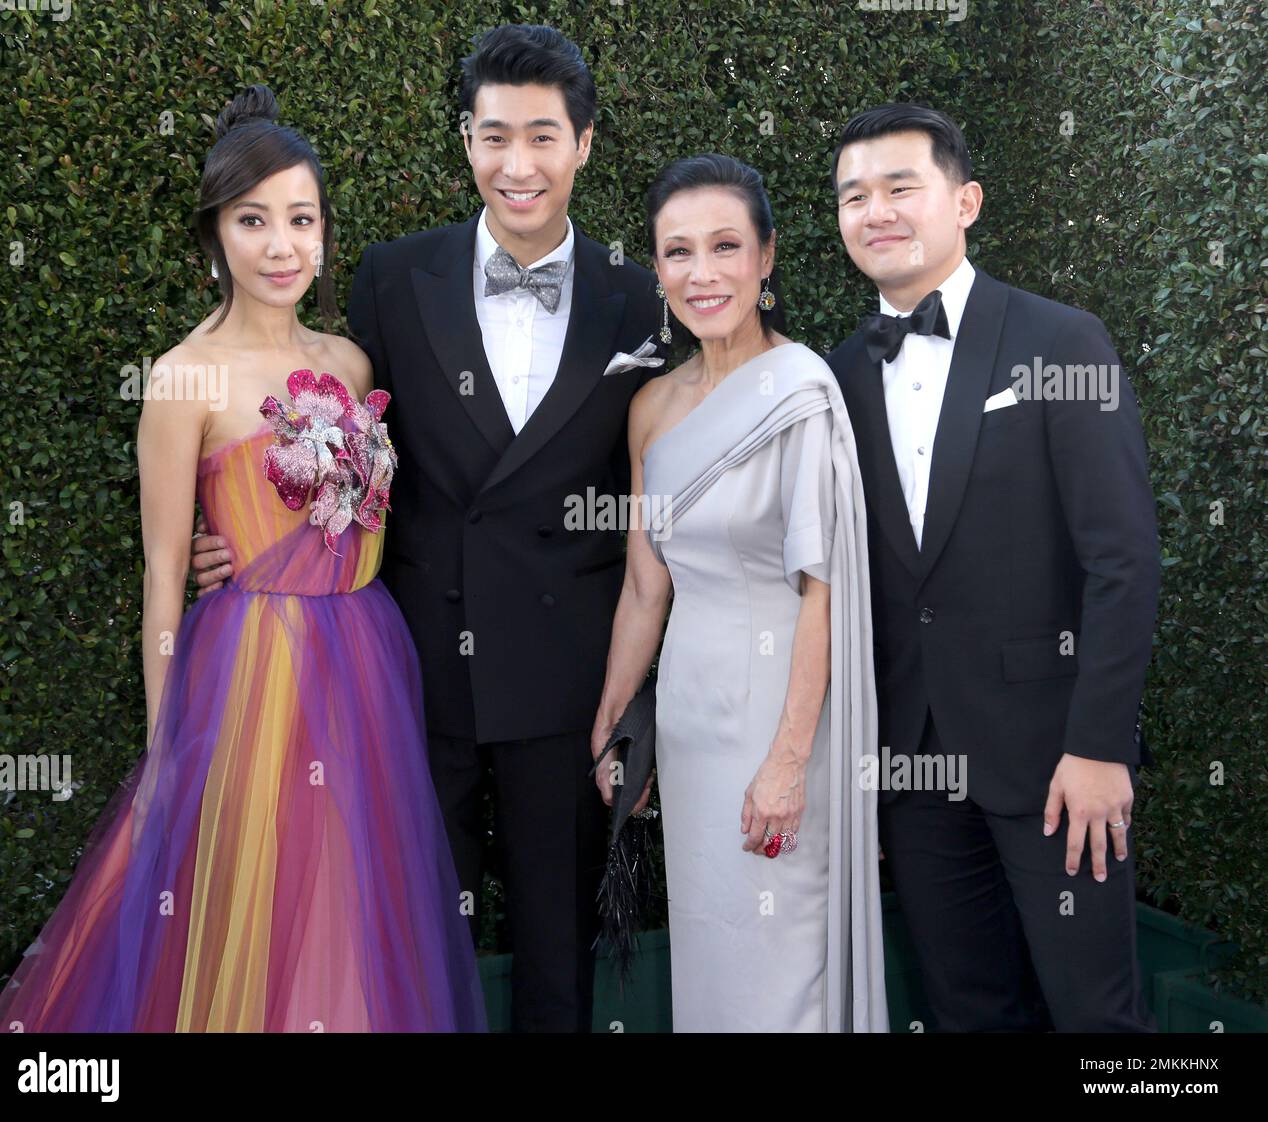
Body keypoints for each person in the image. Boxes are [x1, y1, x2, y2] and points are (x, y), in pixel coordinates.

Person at [0, 85, 485, 1032]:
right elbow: (165, 577)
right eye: (254, 220)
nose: (282, 244)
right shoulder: (182, 377)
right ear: (217, 234)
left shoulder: (352, 364)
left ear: (326, 231)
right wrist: (167, 741)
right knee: (243, 893)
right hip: (251, 670)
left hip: (367, 654)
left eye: (301, 218)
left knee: (350, 891)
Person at [191, 28, 663, 1033]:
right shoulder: (394, 277)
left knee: (555, 950)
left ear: (583, 143)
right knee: (403, 946)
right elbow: (336, 444)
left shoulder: (639, 296)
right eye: (494, 136)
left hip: (570, 680)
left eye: (543, 136)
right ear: (465, 141)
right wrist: (243, 538)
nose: (517, 164)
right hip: (409, 672)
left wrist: (651, 699)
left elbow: (667, 501)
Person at [825, 103, 1161, 1031]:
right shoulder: (838, 375)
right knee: (967, 1007)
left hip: (1056, 761)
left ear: (964, 200)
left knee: (1097, 1013)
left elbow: (1123, 561)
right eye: (855, 196)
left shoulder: (1060, 341)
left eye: (902, 187)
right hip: (913, 766)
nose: (877, 211)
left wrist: (1099, 747)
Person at [591, 153, 889, 1032]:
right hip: (690, 720)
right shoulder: (651, 407)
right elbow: (646, 586)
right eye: (678, 252)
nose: (703, 272)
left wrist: (790, 761)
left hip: (780, 719)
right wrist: (612, 724)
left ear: (765, 259)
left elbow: (823, 591)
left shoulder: (805, 392)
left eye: (726, 247)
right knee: (715, 956)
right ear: (657, 270)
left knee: (783, 968)